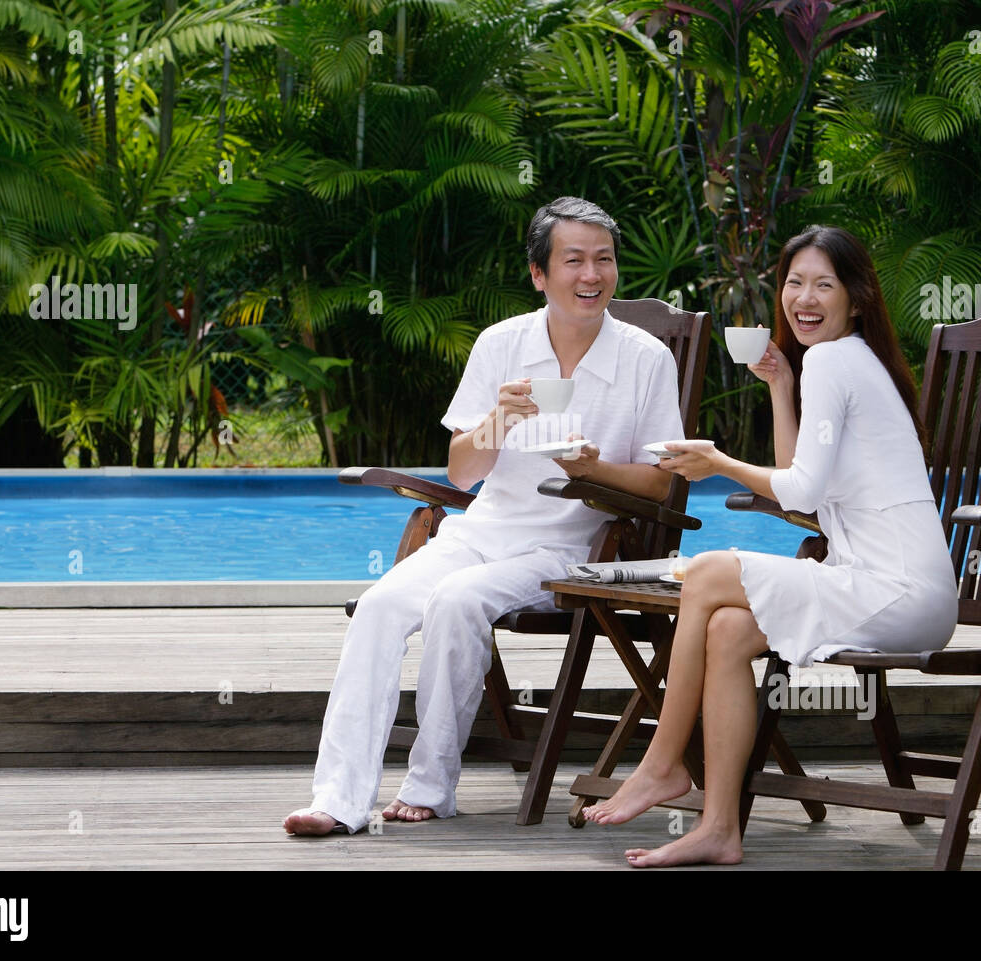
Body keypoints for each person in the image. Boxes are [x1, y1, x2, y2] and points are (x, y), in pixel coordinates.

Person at [284, 197, 686, 836]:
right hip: (483, 531)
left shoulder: (645, 358)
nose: (592, 275)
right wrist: (497, 422)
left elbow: (663, 484)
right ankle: (337, 799)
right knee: (381, 607)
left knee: (458, 602)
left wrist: (593, 470)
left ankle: (430, 785)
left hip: (575, 549)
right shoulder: (502, 343)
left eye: (604, 260)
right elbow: (464, 475)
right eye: (573, 260)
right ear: (538, 274)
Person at [581, 225, 959, 867]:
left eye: (823, 284)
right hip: (884, 587)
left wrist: (719, 461)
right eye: (793, 283)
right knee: (727, 629)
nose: (803, 299)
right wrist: (781, 386)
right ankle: (720, 828)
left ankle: (662, 763)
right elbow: (802, 500)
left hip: (895, 592)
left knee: (703, 572)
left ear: (858, 298)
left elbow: (800, 485)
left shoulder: (839, 361)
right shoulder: (842, 362)